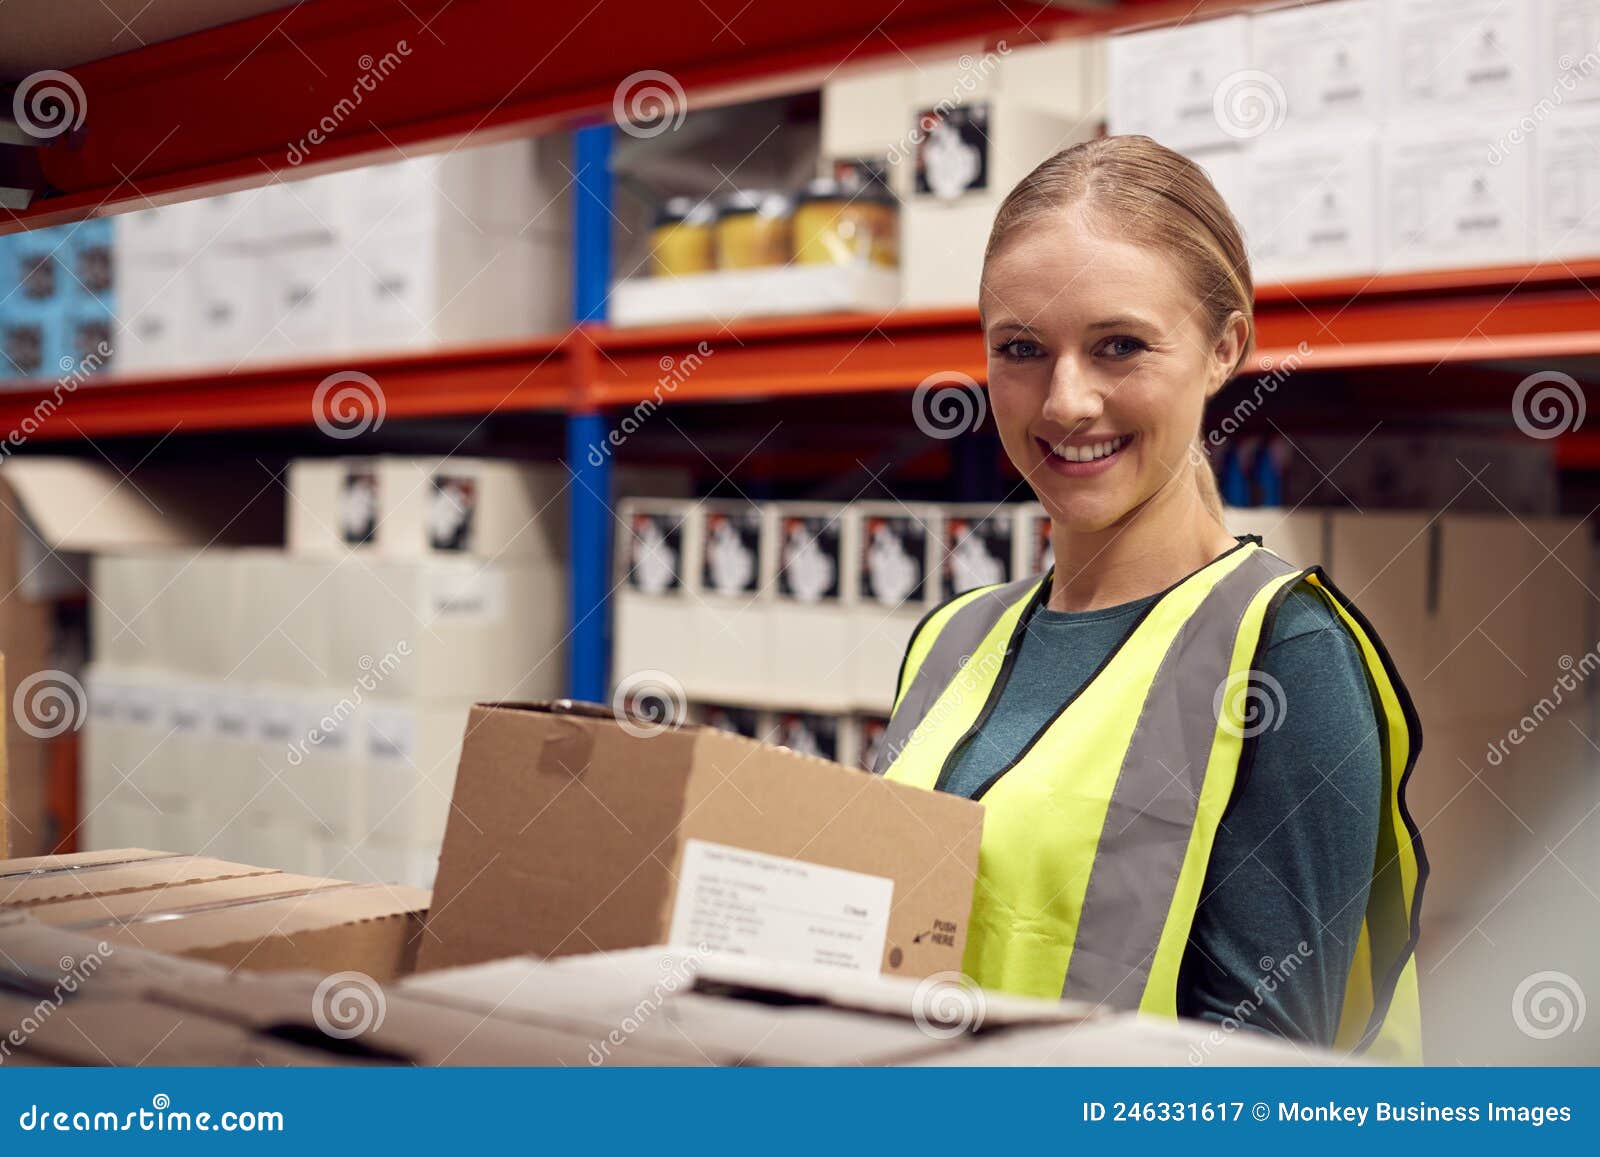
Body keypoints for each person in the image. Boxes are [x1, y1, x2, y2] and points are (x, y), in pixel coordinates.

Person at [874, 136, 1427, 1062]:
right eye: (1021, 350)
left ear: (1224, 349)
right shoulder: (950, 639)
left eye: (1118, 346)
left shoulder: (1282, 655)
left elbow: (1266, 1092)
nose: (1065, 402)